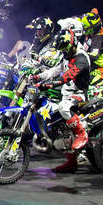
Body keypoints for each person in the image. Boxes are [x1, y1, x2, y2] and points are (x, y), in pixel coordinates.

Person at [36, 28, 94, 173]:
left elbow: (67, 75)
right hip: (66, 94)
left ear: (71, 44)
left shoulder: (81, 58)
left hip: (79, 95)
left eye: (65, 49)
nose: (63, 53)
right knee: (55, 118)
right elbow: (56, 70)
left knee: (63, 107)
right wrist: (39, 76)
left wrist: (52, 83)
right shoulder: (67, 54)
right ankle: (71, 161)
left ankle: (82, 133)